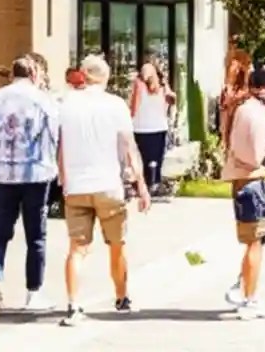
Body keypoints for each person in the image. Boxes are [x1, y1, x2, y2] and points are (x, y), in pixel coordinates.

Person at [57, 55, 150, 326]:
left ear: (82, 75)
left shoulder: (65, 103)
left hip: (76, 186)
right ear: (105, 78)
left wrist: (63, 178)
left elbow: (61, 146)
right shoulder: (115, 105)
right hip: (108, 185)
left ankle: (74, 305)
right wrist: (141, 184)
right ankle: (122, 298)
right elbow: (129, 147)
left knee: (77, 248)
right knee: (117, 244)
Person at [0, 55, 61, 318]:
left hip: (0, 175)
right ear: (34, 74)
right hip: (35, 175)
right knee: (36, 234)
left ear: (12, 74)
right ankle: (33, 291)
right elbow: (53, 137)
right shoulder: (43, 100)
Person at [220, 68, 265, 319]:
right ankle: (249, 298)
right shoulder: (258, 112)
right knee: (256, 242)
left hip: (241, 179)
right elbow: (256, 154)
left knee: (256, 240)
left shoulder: (241, 107)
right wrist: (262, 159)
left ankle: (243, 287)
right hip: (252, 179)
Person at [129, 61, 176, 196]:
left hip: (140, 127)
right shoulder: (162, 85)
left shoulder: (139, 84)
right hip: (159, 127)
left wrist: (129, 117)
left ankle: (145, 184)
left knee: (143, 157)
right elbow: (171, 99)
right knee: (156, 157)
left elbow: (134, 106)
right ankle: (154, 182)